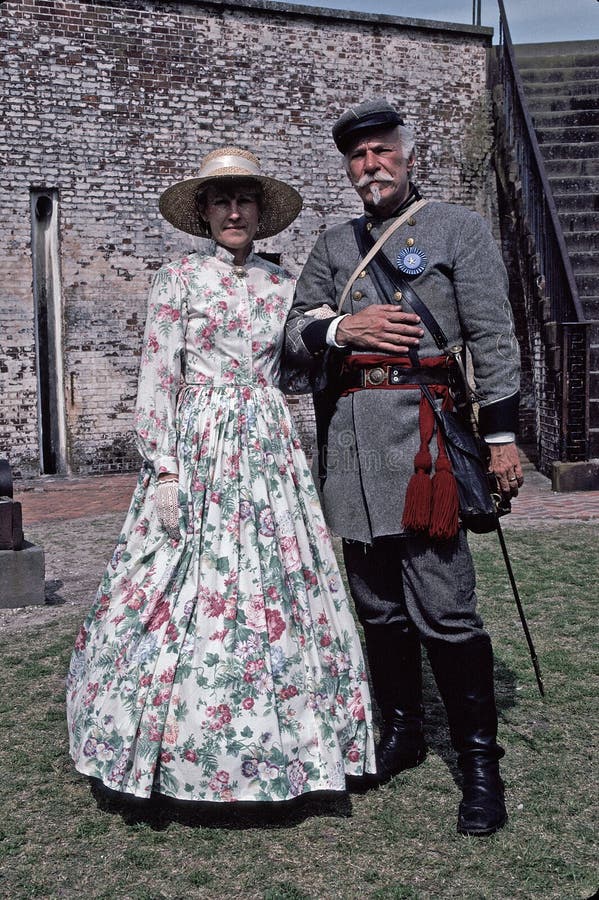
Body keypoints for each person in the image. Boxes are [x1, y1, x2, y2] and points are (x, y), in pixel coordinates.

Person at [66, 146, 376, 804]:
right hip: (199, 444)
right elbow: (158, 375)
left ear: (260, 212)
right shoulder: (178, 278)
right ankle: (174, 749)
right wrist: (165, 467)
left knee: (279, 586)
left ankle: (292, 745)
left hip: (267, 447)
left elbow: (294, 372)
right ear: (203, 212)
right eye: (221, 200)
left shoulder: (280, 282)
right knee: (181, 583)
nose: (233, 211)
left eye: (244, 200)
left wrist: (326, 333)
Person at [285, 100, 523, 836]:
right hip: (354, 445)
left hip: (425, 442)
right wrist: (339, 326)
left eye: (381, 152)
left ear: (406, 155)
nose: (370, 167)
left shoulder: (457, 228)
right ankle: (403, 734)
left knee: (445, 606)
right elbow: (292, 339)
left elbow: (491, 334)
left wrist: (504, 438)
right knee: (379, 606)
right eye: (357, 158)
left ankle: (479, 765)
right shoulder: (332, 244)